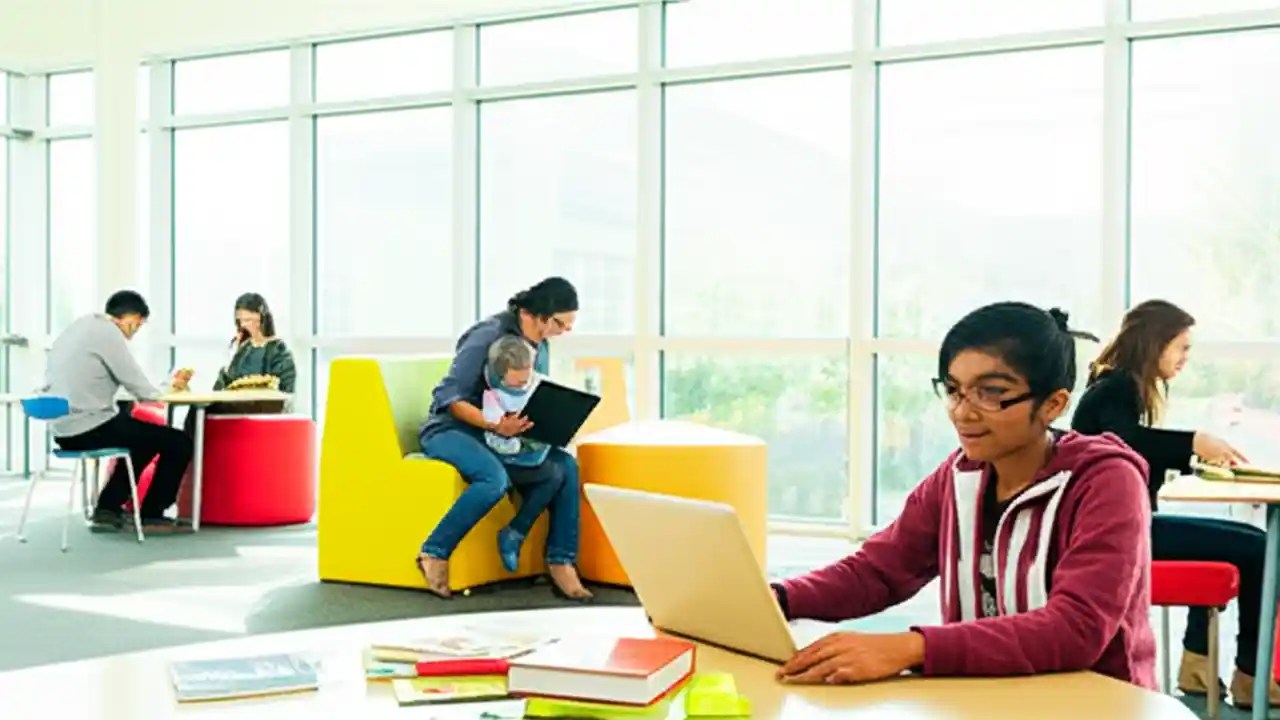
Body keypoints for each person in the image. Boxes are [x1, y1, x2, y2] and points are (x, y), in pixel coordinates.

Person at [771, 302, 1157, 689]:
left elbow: (1076, 628)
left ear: (1053, 405)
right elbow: (878, 572)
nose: (962, 412)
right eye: (954, 390)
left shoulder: (1106, 482)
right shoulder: (959, 475)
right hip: (984, 698)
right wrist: (778, 599)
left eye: (991, 393)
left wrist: (912, 647)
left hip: (1094, 704)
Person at [1071, 299, 1277, 707]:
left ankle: (1201, 665)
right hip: (1119, 535)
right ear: (1156, 343)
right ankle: (1247, 676)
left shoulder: (1117, 385)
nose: (1185, 357)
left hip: (1129, 527)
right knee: (1258, 547)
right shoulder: (1117, 386)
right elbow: (1127, 443)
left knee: (1249, 540)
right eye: (1181, 347)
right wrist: (1194, 443)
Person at [416, 277, 591, 602]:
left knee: (565, 465)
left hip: (500, 435)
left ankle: (560, 560)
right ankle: (434, 552)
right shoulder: (489, 336)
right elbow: (448, 396)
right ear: (540, 314)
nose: (562, 332)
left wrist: (553, 425)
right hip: (452, 429)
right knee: (492, 479)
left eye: (569, 326)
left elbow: (526, 395)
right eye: (560, 324)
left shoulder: (541, 345)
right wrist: (494, 425)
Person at [39, 290, 194, 533]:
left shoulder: (80, 327)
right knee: (178, 441)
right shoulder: (108, 333)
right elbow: (138, 384)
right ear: (133, 319)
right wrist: (168, 389)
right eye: (138, 326)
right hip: (88, 426)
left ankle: (108, 508)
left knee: (142, 439)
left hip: (63, 428)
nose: (135, 332)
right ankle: (153, 514)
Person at [480, 335, 568, 574]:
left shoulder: (539, 384)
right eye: (516, 383)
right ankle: (515, 532)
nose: (523, 385)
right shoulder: (493, 399)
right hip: (507, 458)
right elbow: (493, 440)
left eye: (526, 379)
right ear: (500, 375)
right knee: (554, 474)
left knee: (559, 471)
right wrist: (516, 439)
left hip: (536, 453)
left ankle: (516, 531)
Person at [182, 292, 297, 434]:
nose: (245, 325)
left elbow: (286, 390)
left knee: (200, 410)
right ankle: (192, 452)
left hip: (262, 407)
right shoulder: (244, 348)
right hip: (237, 403)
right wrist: (231, 355)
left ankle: (189, 452)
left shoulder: (278, 349)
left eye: (249, 320)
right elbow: (223, 384)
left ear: (262, 318)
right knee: (198, 408)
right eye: (241, 321)